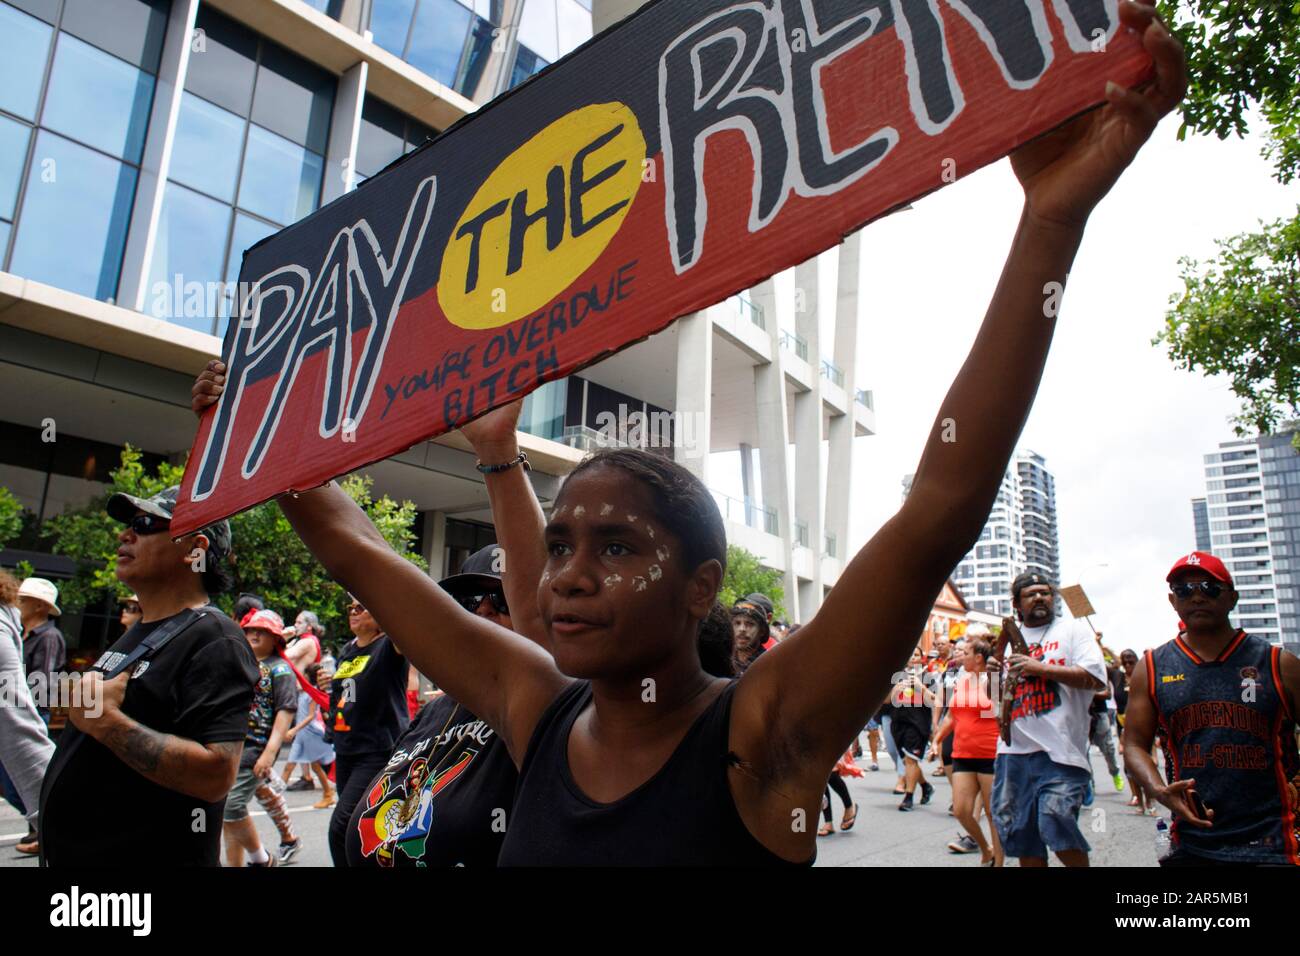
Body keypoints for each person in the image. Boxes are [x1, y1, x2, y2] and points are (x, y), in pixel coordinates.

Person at [192, 6, 1185, 864]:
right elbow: (359, 553)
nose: (566, 574)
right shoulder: (537, 706)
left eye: (616, 546)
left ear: (700, 584)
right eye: (566, 542)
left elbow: (939, 507)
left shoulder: (763, 734)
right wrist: (257, 428)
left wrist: (1051, 219)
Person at [38, 487, 258, 866]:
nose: (125, 535)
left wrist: (105, 723)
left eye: (144, 524)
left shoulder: (216, 639)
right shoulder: (140, 630)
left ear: (196, 548)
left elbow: (216, 776)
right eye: (128, 525)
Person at [1123, 552, 1300, 866]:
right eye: (1184, 590)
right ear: (1172, 601)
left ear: (1232, 598)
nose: (1197, 596)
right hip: (1193, 837)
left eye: (1209, 587)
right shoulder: (1152, 667)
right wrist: (1159, 790)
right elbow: (1135, 744)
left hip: (1272, 840)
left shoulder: (1277, 663)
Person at [989, 573, 1107, 867]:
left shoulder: (1073, 631)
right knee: (1021, 835)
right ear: (1017, 603)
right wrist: (990, 673)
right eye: (1031, 594)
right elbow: (994, 698)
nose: (1040, 598)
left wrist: (1039, 668)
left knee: (1055, 823)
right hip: (1012, 753)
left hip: (1060, 753)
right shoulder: (1007, 639)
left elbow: (1095, 679)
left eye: (1045, 592)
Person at [319, 596, 411, 865]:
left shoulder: (388, 647)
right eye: (351, 608)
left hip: (377, 750)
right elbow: (344, 696)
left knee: (342, 826)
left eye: (362, 607)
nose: (354, 612)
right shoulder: (348, 650)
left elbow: (402, 623)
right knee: (360, 827)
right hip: (347, 748)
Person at [223, 609, 302, 866]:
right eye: (251, 629)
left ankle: (262, 859)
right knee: (229, 812)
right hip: (229, 746)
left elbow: (286, 711)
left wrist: (269, 753)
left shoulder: (280, 669)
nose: (255, 634)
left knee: (232, 807)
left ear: (275, 638)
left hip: (254, 750)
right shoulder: (240, 664)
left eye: (263, 631)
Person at [933, 636, 1002, 865]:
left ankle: (998, 862)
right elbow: (952, 716)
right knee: (962, 811)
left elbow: (997, 713)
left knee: (993, 815)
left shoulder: (993, 681)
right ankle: (985, 848)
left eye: (967, 653)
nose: (961, 657)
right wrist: (937, 740)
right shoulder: (962, 682)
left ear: (979, 658)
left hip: (989, 753)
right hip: (962, 753)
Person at [0, 569, 55, 856]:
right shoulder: (20, 631)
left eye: (27, 600)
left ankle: (43, 826)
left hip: (32, 709)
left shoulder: (47, 637)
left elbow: (39, 683)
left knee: (13, 786)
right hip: (20, 712)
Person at [282, 661, 337, 804]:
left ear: (308, 675)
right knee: (292, 765)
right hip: (302, 734)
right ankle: (276, 797)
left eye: (304, 674)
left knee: (315, 765)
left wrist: (294, 729)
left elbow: (311, 715)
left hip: (311, 733)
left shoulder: (312, 692)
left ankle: (328, 793)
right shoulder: (303, 690)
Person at [892, 648, 936, 811]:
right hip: (898, 722)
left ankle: (908, 797)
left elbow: (935, 701)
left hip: (917, 724)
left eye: (916, 655)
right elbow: (885, 701)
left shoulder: (927, 677)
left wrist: (920, 687)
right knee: (908, 761)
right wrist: (895, 691)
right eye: (910, 654)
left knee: (911, 760)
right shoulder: (898, 676)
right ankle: (925, 786)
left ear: (921, 658)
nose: (912, 657)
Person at [17, 577, 65, 723]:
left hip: (29, 716)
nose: (16, 605)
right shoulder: (23, 634)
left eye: (22, 600)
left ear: (38, 606)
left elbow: (40, 685)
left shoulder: (49, 637)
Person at [730, 597, 769, 672]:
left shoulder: (769, 662)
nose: (742, 629)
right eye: (737, 623)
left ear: (762, 631)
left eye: (750, 624)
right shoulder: (723, 661)